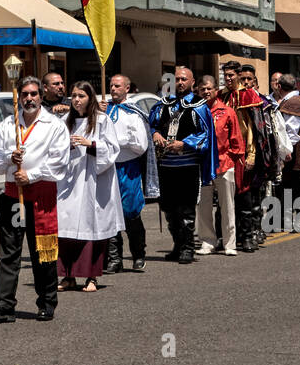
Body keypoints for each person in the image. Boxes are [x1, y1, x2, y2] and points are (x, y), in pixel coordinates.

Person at [0, 76, 71, 323]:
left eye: (33, 94)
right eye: (25, 94)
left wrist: (30, 175)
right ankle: (4, 305)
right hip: (14, 198)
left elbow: (59, 163)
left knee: (41, 252)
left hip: (40, 197)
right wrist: (10, 159)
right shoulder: (9, 125)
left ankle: (47, 301)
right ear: (18, 97)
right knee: (10, 252)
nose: (29, 98)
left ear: (41, 95)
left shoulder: (53, 125)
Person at [56, 82, 122, 291]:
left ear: (90, 98)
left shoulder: (102, 120)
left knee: (91, 224)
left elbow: (113, 149)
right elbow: (56, 148)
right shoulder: (66, 120)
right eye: (73, 96)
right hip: (70, 180)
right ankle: (68, 276)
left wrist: (91, 144)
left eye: (81, 96)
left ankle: (91, 276)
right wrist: (67, 145)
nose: (76, 100)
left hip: (94, 180)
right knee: (66, 225)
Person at [149, 66, 215, 265]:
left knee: (186, 210)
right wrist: (155, 133)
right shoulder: (162, 105)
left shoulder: (199, 106)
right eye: (177, 79)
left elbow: (206, 135)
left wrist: (185, 143)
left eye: (184, 79)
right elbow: (151, 124)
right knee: (169, 209)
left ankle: (187, 248)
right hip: (166, 166)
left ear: (192, 82)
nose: (179, 83)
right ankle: (177, 245)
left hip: (187, 166)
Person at [104, 73, 151, 273]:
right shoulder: (103, 110)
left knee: (130, 212)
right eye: (111, 86)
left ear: (127, 89)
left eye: (117, 86)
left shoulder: (133, 113)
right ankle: (114, 259)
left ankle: (138, 253)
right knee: (109, 213)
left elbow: (140, 146)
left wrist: (118, 142)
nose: (113, 89)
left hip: (128, 168)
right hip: (108, 167)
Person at [223, 62, 271, 252]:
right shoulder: (222, 96)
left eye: (231, 75)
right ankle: (227, 235)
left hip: (244, 153)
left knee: (246, 197)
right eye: (225, 75)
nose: (228, 79)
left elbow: (255, 128)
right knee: (226, 198)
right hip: (226, 154)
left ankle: (249, 236)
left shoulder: (249, 95)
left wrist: (251, 155)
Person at [197, 74, 243, 255]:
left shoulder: (227, 112)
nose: (206, 92)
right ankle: (207, 241)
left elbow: (236, 140)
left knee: (228, 206)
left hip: (224, 164)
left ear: (216, 90)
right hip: (203, 166)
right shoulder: (196, 111)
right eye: (202, 89)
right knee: (203, 206)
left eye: (209, 88)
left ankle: (230, 244)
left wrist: (232, 160)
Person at [270, 74, 300, 232]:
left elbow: (291, 132)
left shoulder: (293, 103)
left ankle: (299, 222)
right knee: (289, 187)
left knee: (296, 186)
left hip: (293, 154)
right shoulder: (293, 101)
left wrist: (286, 152)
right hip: (292, 153)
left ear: (279, 86)